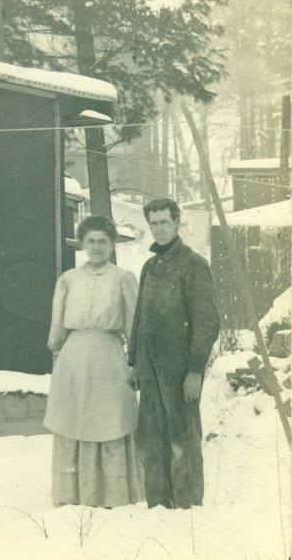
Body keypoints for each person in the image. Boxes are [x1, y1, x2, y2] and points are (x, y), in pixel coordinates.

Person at [44, 215, 144, 507]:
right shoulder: (68, 279)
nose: (97, 247)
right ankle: (72, 493)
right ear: (83, 244)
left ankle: (112, 494)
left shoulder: (123, 278)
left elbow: (132, 326)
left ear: (112, 244)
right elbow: (57, 325)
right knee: (74, 418)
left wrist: (134, 361)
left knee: (109, 419)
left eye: (103, 241)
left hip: (109, 355)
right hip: (73, 358)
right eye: (91, 241)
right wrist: (56, 351)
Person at [128, 198, 220, 509]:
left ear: (177, 222)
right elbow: (140, 317)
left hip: (180, 369)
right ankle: (158, 505)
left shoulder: (194, 265)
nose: (159, 229)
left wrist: (195, 370)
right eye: (153, 223)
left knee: (182, 439)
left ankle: (187, 507)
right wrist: (135, 363)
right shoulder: (150, 267)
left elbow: (207, 322)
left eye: (164, 222)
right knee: (151, 436)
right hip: (150, 368)